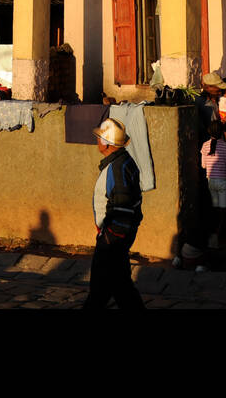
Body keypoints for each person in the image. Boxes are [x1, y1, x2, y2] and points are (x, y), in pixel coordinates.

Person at [84, 118, 144, 309]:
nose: (97, 141)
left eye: (100, 138)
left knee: (100, 290)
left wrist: (110, 236)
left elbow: (122, 206)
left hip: (113, 239)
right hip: (116, 237)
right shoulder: (123, 162)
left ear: (107, 143)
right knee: (121, 286)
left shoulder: (117, 168)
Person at [200, 120, 226, 247]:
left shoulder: (204, 146)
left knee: (215, 209)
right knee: (223, 210)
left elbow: (203, 166)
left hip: (211, 181)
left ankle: (213, 235)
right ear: (222, 132)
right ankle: (218, 235)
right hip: (223, 182)